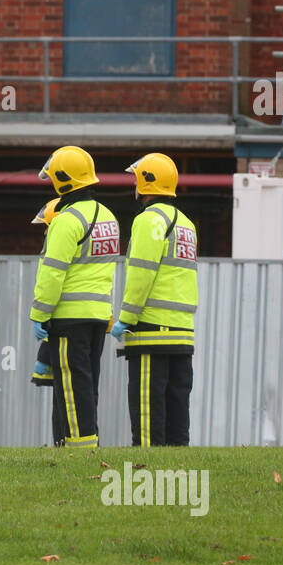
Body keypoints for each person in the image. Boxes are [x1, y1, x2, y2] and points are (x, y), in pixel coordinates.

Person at [31, 146, 120, 448]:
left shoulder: (66, 220)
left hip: (69, 318)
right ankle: (88, 441)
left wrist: (40, 314)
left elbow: (52, 272)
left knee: (70, 383)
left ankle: (78, 447)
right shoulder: (108, 217)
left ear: (61, 180)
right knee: (87, 382)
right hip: (97, 316)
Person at [110, 153, 198, 447]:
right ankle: (178, 469)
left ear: (147, 182)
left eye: (137, 178)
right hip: (182, 333)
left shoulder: (148, 221)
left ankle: (148, 471)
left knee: (148, 412)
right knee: (177, 409)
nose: (134, 184)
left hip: (151, 330)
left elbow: (141, 274)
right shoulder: (186, 223)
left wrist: (126, 318)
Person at [30, 198, 59, 388]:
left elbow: (52, 284)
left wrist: (39, 315)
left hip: (60, 325)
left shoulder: (56, 249)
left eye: (48, 225)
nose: (45, 231)